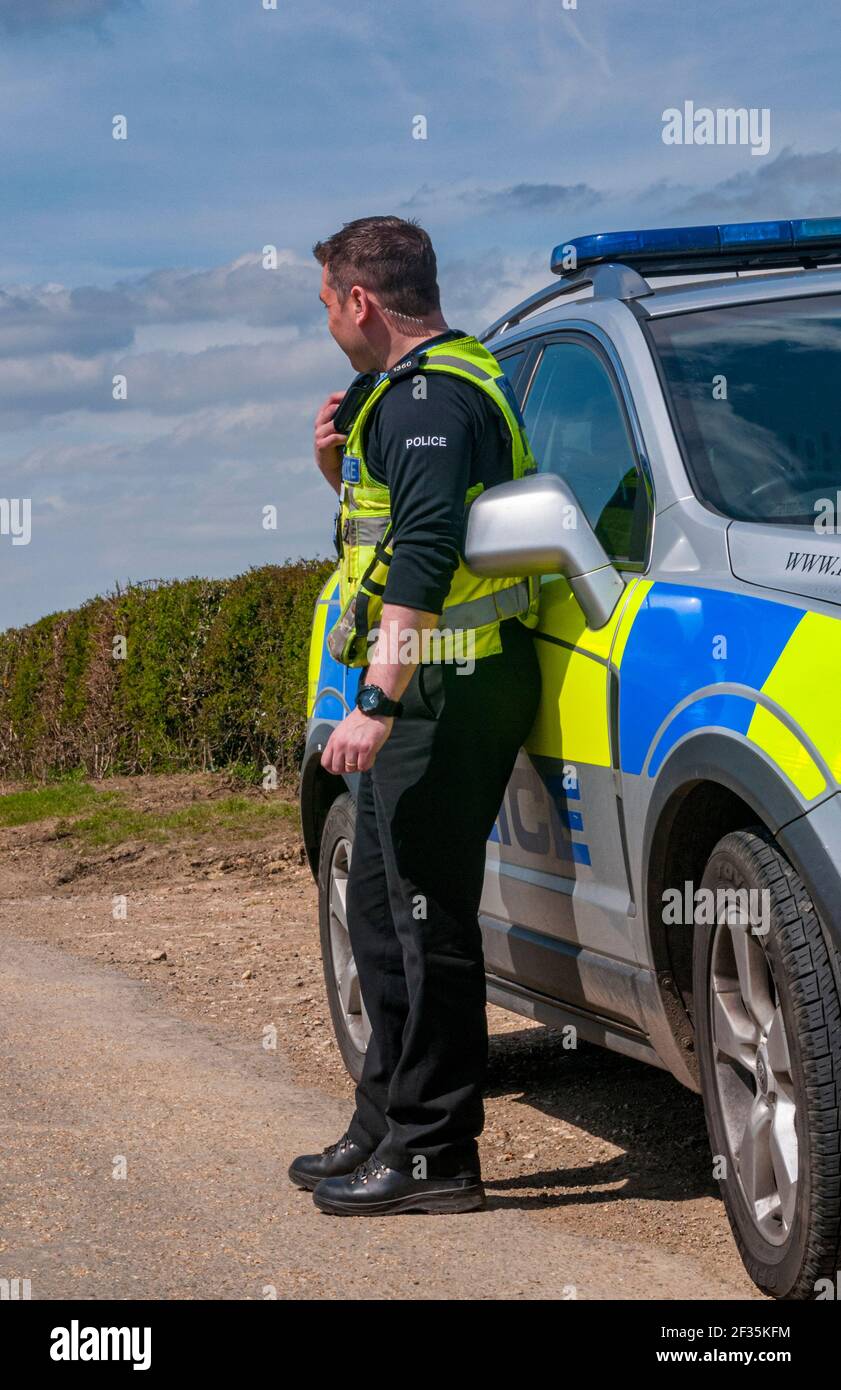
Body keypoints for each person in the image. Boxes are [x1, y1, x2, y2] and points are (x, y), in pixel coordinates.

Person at [289, 215, 542, 1215]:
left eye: (323, 306)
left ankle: (437, 1155)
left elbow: (429, 551)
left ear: (360, 302)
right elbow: (385, 533)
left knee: (424, 920)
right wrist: (329, 466)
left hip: (449, 684)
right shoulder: (401, 399)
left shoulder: (428, 398)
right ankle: (384, 1121)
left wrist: (379, 700)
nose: (326, 326)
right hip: (428, 682)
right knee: (377, 914)